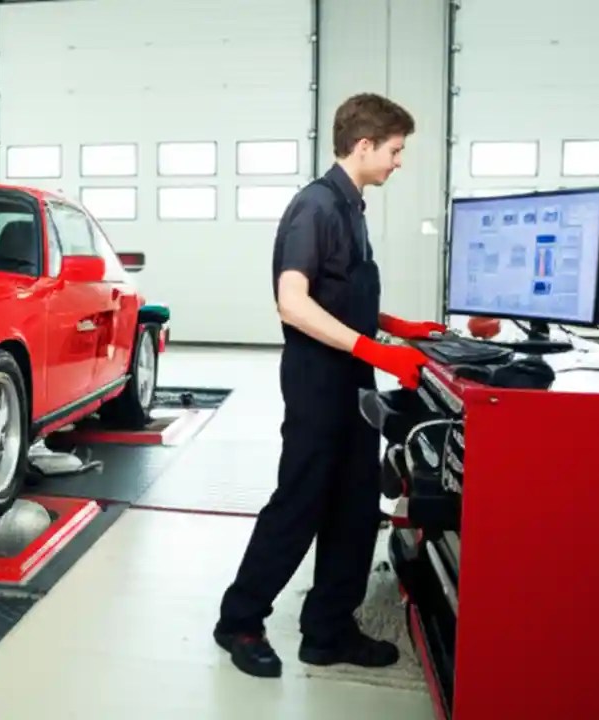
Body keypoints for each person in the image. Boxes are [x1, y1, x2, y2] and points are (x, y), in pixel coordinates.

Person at [213, 93, 445, 678]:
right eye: (395, 150)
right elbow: (293, 303)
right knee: (302, 502)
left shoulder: (351, 207)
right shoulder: (315, 207)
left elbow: (337, 293)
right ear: (363, 145)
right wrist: (373, 347)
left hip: (352, 376)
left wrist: (395, 326)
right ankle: (239, 620)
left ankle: (328, 630)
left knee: (354, 506)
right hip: (319, 379)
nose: (399, 162)